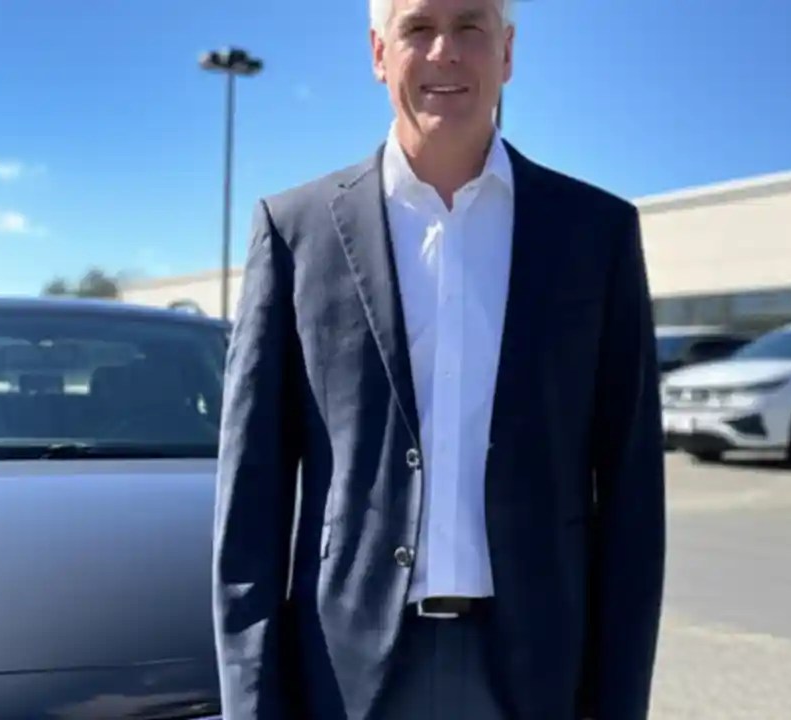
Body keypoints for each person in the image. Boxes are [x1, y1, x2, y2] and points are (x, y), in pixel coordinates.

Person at [212, 0, 666, 717]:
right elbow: (251, 506)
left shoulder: (596, 235)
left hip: (534, 675)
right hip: (347, 675)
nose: (443, 52)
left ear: (508, 50)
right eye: (417, 28)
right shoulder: (296, 233)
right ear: (377, 53)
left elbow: (632, 499)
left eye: (470, 28)